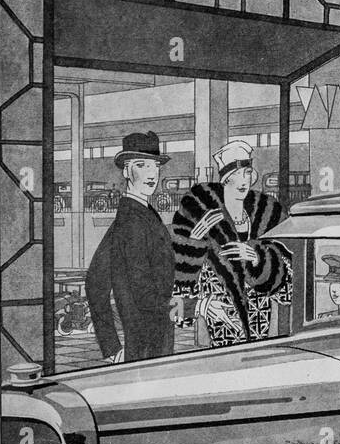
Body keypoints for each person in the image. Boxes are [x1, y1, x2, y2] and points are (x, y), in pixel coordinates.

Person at [171, 140, 292, 349]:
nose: (242, 181)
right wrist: (194, 245)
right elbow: (176, 305)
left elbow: (287, 291)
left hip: (260, 336)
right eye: (234, 176)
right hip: (222, 337)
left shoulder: (267, 220)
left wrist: (257, 257)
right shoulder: (202, 223)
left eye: (246, 173)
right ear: (225, 181)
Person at [85, 131, 176, 364]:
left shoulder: (137, 214)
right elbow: (143, 291)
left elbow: (95, 279)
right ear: (126, 171)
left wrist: (111, 347)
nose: (151, 173)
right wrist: (112, 347)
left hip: (151, 336)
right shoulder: (132, 220)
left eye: (155, 165)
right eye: (141, 165)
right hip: (147, 339)